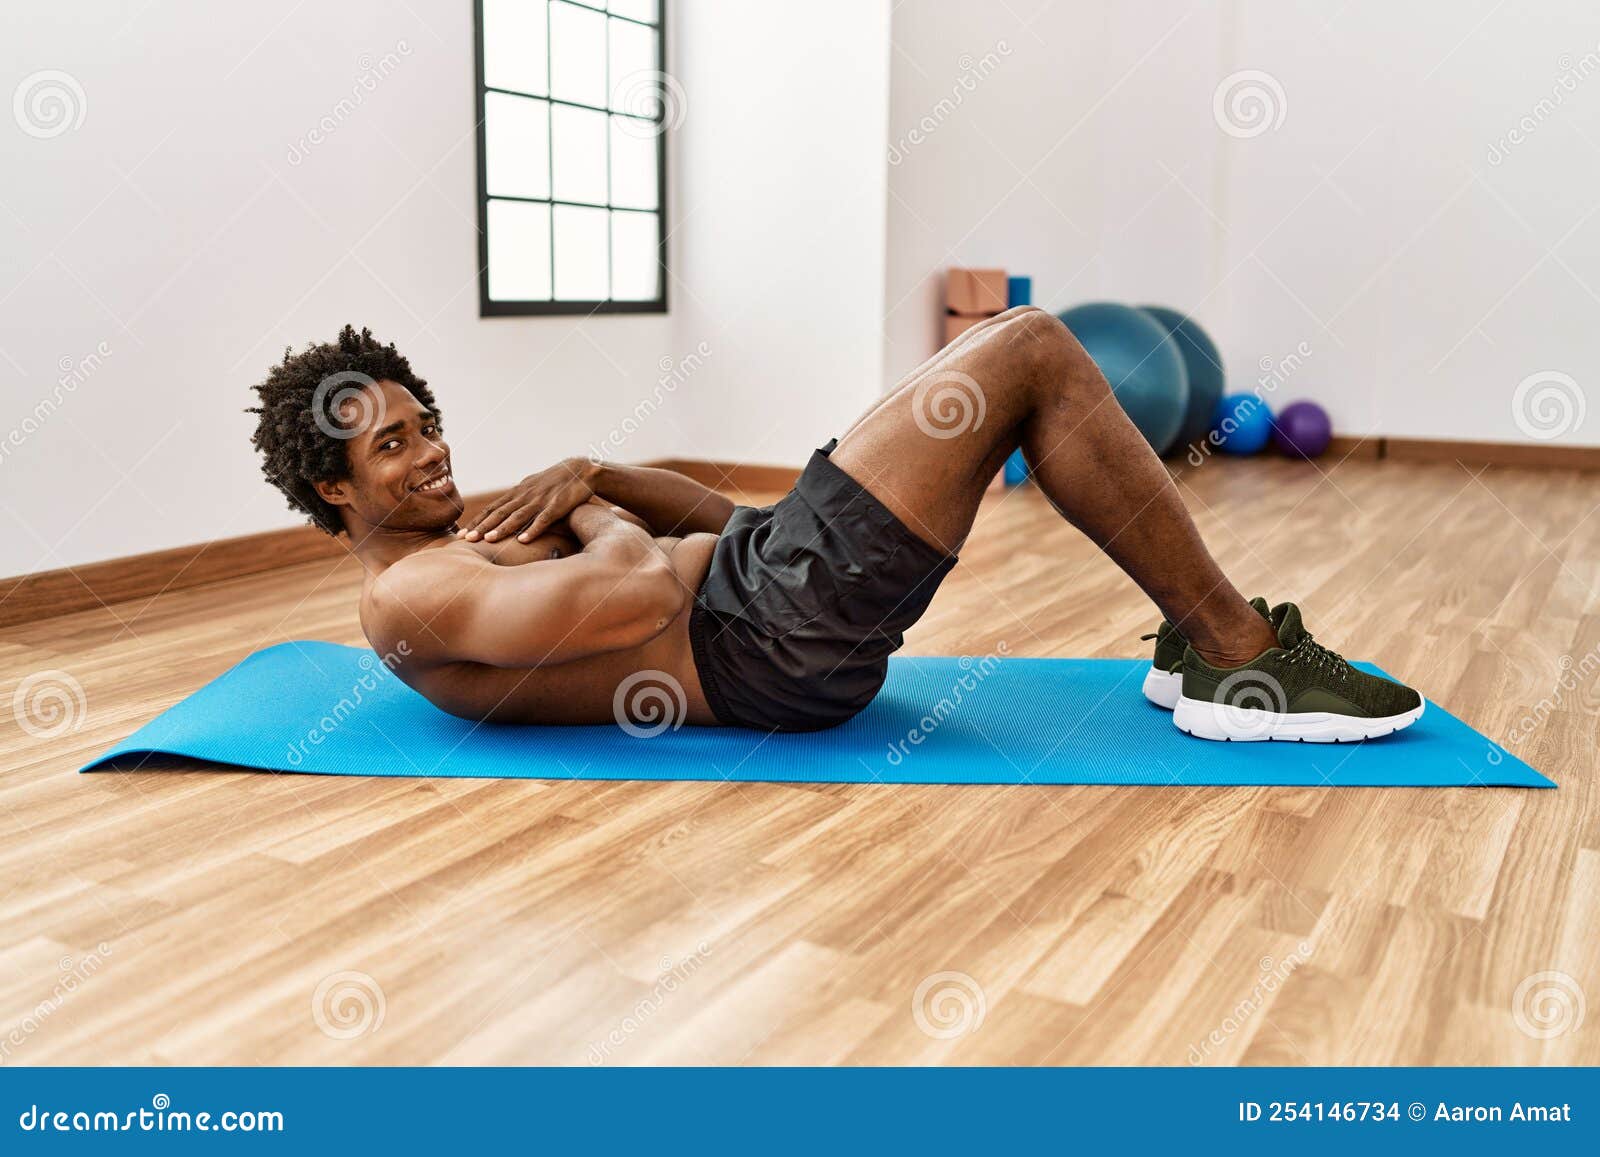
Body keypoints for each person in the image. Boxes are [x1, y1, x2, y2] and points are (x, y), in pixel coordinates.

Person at [247, 311, 1421, 741]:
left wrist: (595, 467)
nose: (432, 450)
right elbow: (639, 597)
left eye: (425, 421)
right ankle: (1230, 651)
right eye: (391, 445)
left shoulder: (467, 534)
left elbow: (725, 517)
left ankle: (1196, 639)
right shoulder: (410, 597)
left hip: (763, 585)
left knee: (990, 356)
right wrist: (596, 501)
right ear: (334, 492)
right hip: (763, 642)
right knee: (1029, 351)